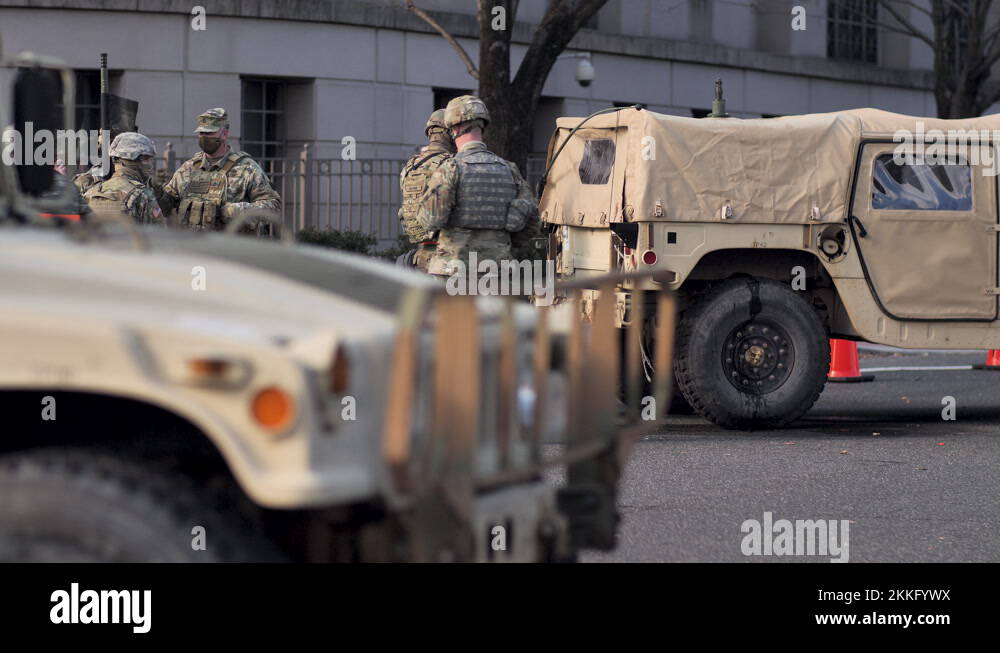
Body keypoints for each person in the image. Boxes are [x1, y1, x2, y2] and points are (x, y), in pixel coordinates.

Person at [415, 95, 539, 278]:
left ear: (454, 128)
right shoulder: (510, 170)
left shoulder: (450, 169)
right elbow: (531, 223)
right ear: (483, 126)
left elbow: (430, 220)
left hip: (453, 272)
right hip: (498, 271)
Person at [159, 108, 280, 231]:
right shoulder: (188, 168)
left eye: (210, 133)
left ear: (224, 134)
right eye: (201, 133)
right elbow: (165, 207)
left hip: (230, 247)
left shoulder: (247, 168)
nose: (204, 137)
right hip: (192, 246)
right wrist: (157, 190)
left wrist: (233, 211)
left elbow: (273, 207)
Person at [398, 109, 455, 271]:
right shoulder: (452, 164)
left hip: (420, 254)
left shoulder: (410, 166)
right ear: (450, 133)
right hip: (446, 254)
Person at [83, 132, 162, 225]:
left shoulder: (90, 193)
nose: (150, 164)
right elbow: (159, 236)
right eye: (146, 159)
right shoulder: (143, 195)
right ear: (132, 161)